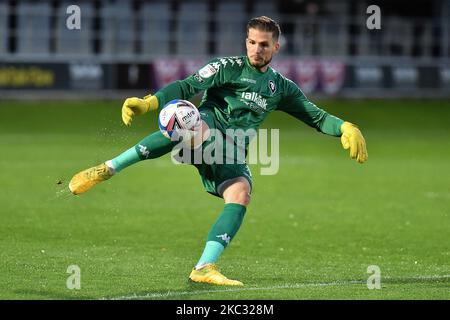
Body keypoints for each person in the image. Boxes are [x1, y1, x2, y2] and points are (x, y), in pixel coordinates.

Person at [68, 16, 368, 286]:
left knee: (241, 192)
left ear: (276, 47)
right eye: (251, 42)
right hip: (206, 130)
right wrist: (151, 103)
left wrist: (344, 127)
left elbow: (316, 116)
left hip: (231, 153)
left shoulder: (281, 87)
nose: (256, 49)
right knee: (188, 120)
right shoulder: (227, 68)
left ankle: (204, 267)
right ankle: (108, 168)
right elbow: (186, 87)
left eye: (264, 44)